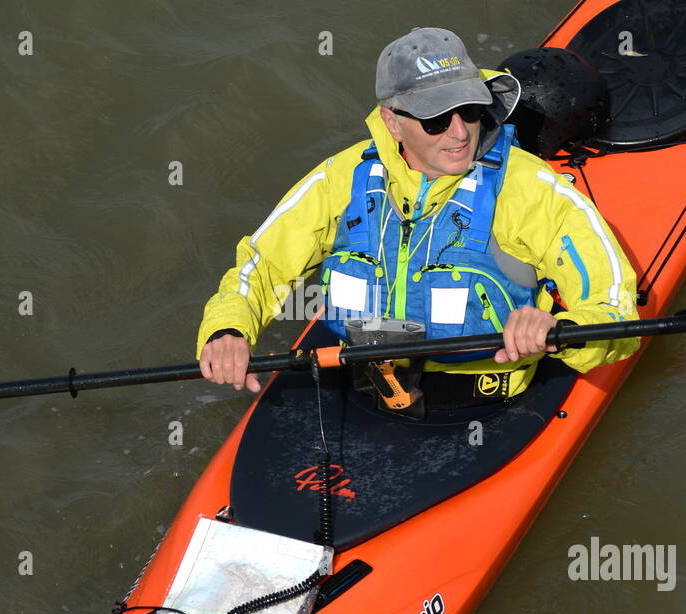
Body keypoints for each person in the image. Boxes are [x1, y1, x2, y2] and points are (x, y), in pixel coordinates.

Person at [197, 26, 640, 403]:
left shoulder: (531, 188)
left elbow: (613, 305)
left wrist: (560, 328)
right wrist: (228, 330)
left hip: (484, 392)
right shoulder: (341, 178)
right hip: (359, 376)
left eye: (469, 110)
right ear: (393, 122)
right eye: (436, 120)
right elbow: (260, 266)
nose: (460, 132)